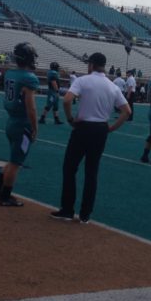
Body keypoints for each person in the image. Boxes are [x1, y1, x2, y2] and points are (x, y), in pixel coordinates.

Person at [50, 52, 130, 223]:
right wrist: (111, 128)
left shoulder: (83, 80)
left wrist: (71, 119)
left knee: (70, 168)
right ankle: (85, 214)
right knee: (91, 172)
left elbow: (67, 100)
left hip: (83, 127)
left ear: (91, 64)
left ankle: (67, 209)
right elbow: (127, 111)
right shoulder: (112, 86)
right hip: (101, 129)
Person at [0, 43, 39, 207]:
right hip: (22, 123)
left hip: (11, 121)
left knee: (12, 159)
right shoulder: (29, 78)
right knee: (16, 163)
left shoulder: (10, 73)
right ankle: (6, 196)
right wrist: (35, 127)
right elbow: (31, 107)